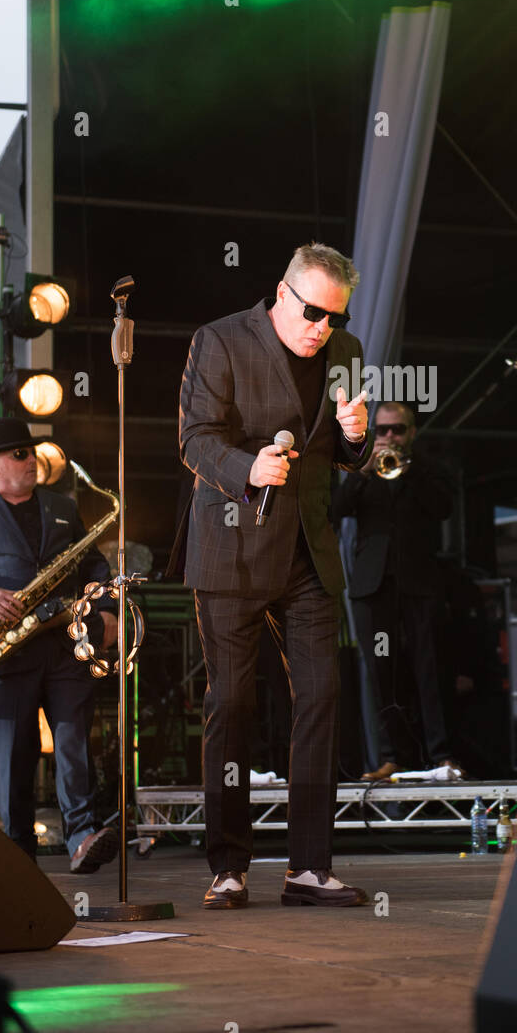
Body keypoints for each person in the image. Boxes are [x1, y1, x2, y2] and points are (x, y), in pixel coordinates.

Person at [171, 242, 371, 909]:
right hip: (232, 549)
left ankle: (308, 868)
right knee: (233, 703)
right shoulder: (220, 340)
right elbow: (195, 439)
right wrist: (245, 469)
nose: (323, 327)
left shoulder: (346, 352)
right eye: (312, 311)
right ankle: (228, 866)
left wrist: (356, 437)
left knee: (319, 698)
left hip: (308, 554)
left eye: (335, 317)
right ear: (282, 294)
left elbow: (342, 456)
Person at [0, 418, 119, 871]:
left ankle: (82, 837)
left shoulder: (61, 504)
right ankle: (18, 855)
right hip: (9, 652)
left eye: (32, 452)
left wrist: (109, 612)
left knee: (73, 743)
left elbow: (94, 564)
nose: (32, 461)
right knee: (15, 755)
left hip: (66, 644)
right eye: (20, 454)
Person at [332, 402, 458, 780]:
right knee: (380, 672)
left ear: (412, 433)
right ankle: (393, 756)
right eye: (382, 430)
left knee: (429, 669)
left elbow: (444, 508)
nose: (389, 437)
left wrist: (411, 469)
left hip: (419, 582)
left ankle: (441, 755)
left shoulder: (428, 468)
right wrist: (363, 474)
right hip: (373, 585)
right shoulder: (361, 469)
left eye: (397, 430)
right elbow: (334, 511)